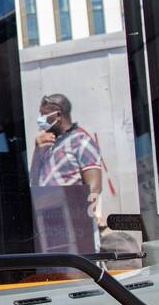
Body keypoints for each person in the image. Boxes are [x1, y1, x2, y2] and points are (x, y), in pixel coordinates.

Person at [29, 93, 105, 226]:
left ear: (58, 115)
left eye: (44, 115)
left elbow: (94, 187)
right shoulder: (49, 145)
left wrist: (82, 216)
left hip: (73, 220)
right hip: (49, 219)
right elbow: (35, 181)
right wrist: (37, 150)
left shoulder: (81, 141)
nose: (40, 119)